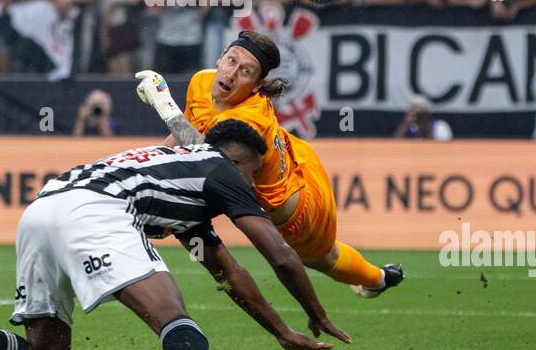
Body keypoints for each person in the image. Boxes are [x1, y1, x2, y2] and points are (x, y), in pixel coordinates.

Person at [0, 120, 349, 350]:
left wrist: (280, 331)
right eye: (254, 172)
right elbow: (281, 254)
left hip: (42, 208)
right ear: (236, 161)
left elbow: (229, 273)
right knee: (169, 308)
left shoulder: (184, 180)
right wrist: (316, 314)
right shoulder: (220, 169)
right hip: (95, 209)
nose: (253, 185)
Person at [134, 30, 404, 297]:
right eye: (231, 60)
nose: (231, 74)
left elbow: (207, 159)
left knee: (324, 258)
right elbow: (187, 132)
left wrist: (165, 105)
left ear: (257, 85)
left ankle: (379, 279)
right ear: (220, 57)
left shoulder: (250, 118)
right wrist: (144, 167)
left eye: (246, 71)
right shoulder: (202, 80)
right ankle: (379, 278)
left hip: (299, 209)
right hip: (295, 153)